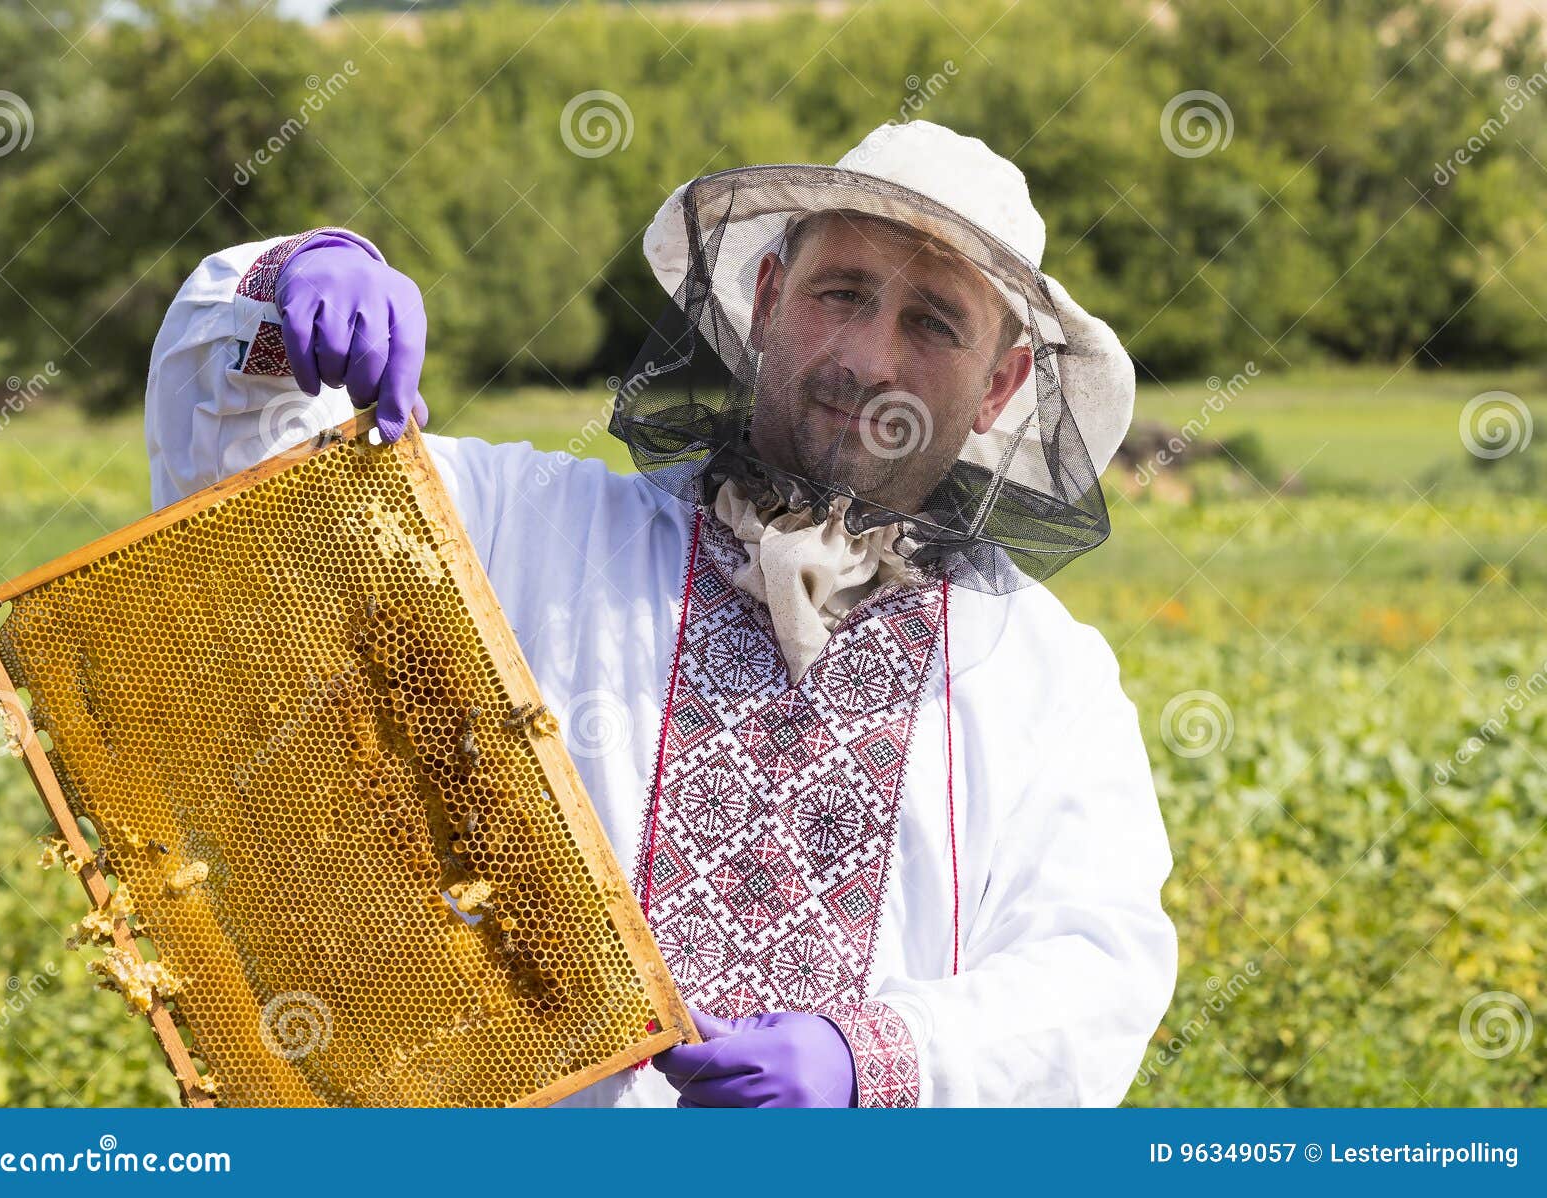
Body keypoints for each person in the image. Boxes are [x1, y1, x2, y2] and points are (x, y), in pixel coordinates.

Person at [145, 120, 1177, 1107]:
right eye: (842, 293)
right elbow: (250, 505)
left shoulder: (1040, 675)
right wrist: (290, 296)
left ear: (999, 384)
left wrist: (874, 1063)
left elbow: (1096, 970)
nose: (869, 358)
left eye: (932, 323)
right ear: (768, 298)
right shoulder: (534, 530)